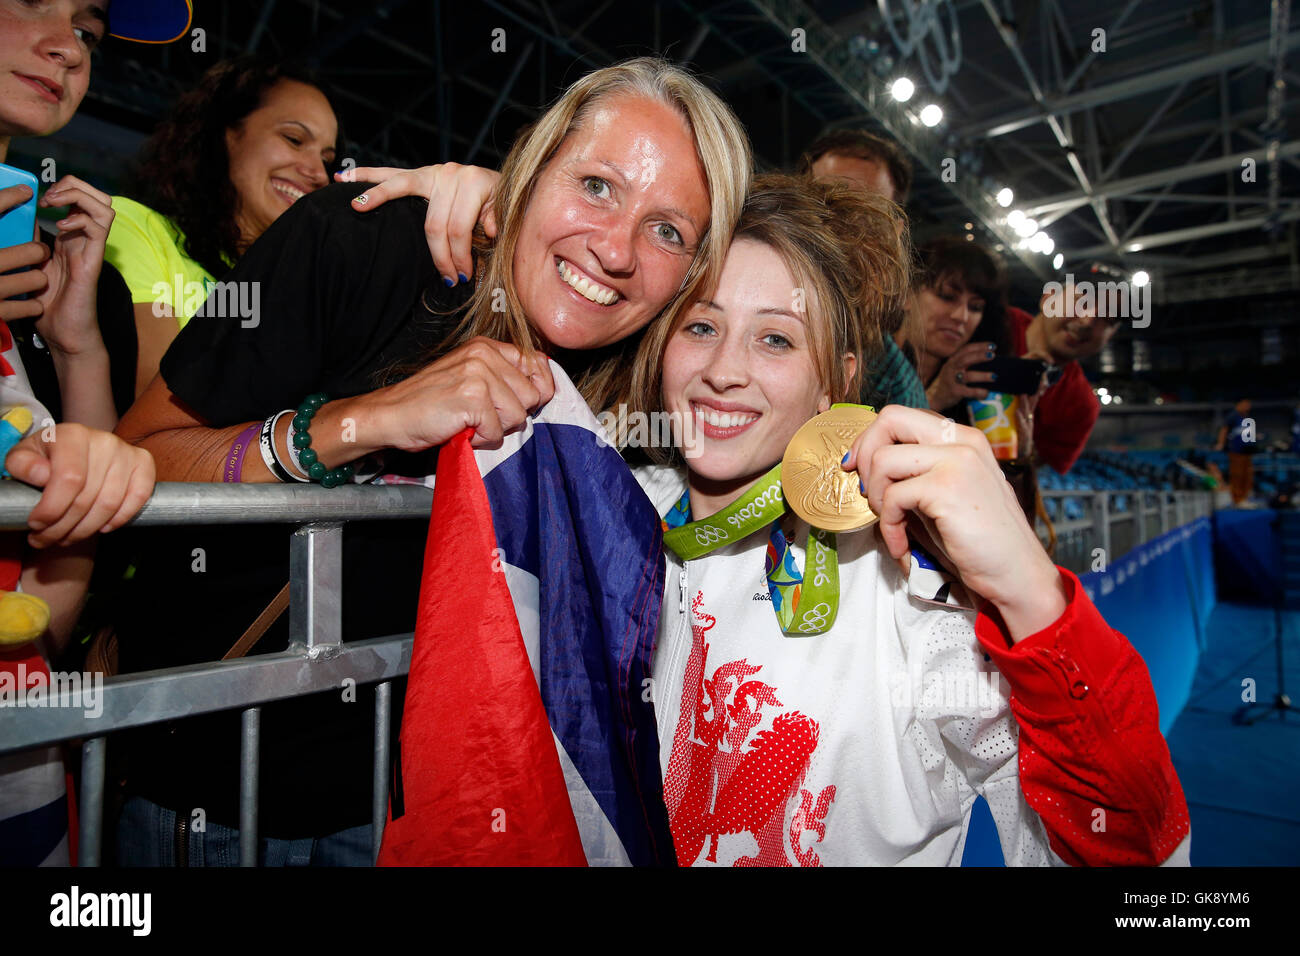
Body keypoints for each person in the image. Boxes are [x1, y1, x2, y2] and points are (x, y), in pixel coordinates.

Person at [112, 57, 752, 865]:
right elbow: (143, 454)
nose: (617, 250)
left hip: (421, 819)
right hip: (221, 812)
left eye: (668, 230)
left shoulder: (629, 387)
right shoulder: (368, 243)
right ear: (532, 165)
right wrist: (370, 420)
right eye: (595, 185)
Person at [625, 174, 1189, 865]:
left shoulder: (916, 596)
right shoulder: (601, 508)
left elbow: (1137, 860)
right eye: (702, 326)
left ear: (836, 382)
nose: (723, 369)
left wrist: (1033, 598)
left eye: (776, 339)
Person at [0, 0, 179, 866]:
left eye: (88, 28)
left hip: (26, 763)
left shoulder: (29, 274)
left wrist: (74, 342)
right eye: (27, 2)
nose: (66, 46)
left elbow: (54, 592)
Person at [104, 56, 340, 396]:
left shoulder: (302, 291)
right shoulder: (135, 226)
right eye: (294, 139)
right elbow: (154, 413)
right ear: (227, 135)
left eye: (327, 159)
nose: (318, 173)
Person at [797, 128, 925, 411]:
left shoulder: (894, 385)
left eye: (866, 209)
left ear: (894, 231)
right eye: (824, 197)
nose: (841, 219)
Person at [1007, 281, 1120, 475]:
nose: (1087, 321)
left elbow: (1031, 470)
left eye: (1106, 318)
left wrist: (1022, 453)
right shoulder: (981, 322)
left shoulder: (1080, 404)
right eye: (1082, 303)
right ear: (1048, 299)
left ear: (1110, 336)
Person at [1215, 398, 1255, 506]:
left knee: (1247, 475)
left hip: (1247, 451)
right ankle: (1238, 499)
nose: (1248, 406)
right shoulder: (1233, 416)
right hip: (1236, 451)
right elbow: (1224, 430)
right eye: (1245, 404)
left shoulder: (1247, 418)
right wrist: (1221, 443)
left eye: (1249, 404)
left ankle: (1245, 497)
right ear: (1239, 404)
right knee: (1238, 475)